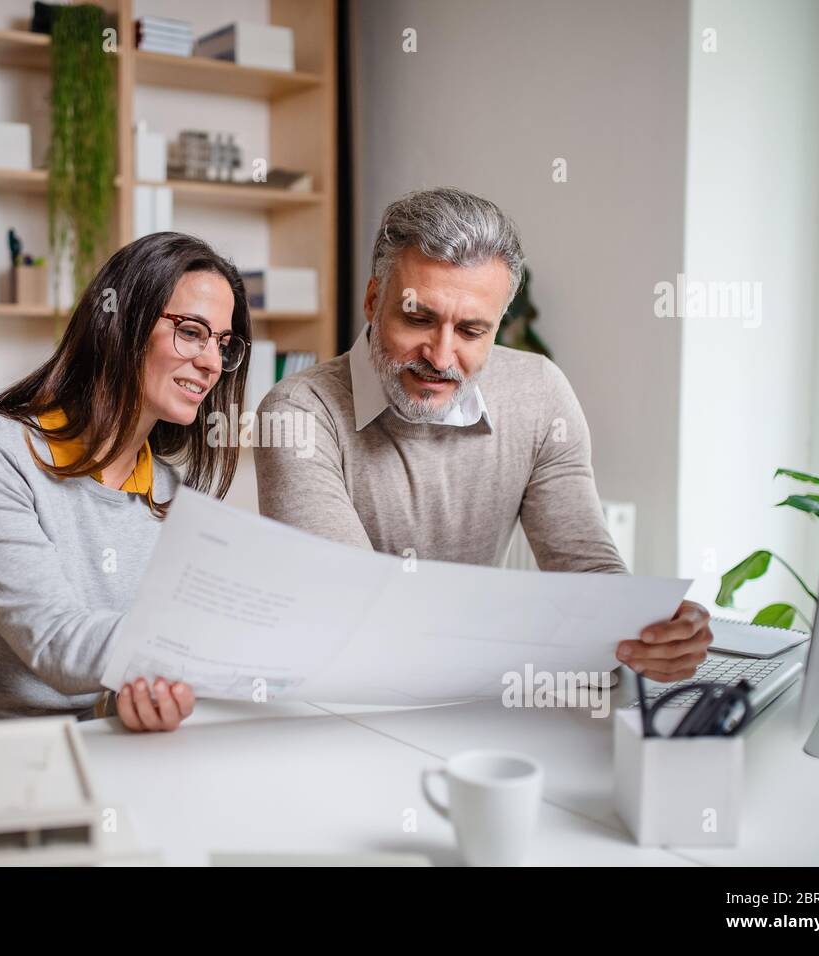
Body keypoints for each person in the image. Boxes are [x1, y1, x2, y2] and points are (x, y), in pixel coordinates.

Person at [254, 187, 712, 683]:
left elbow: (588, 574)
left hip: (473, 699)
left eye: (472, 331)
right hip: (338, 699)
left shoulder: (538, 393)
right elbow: (354, 610)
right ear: (372, 300)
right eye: (417, 318)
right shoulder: (299, 413)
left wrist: (647, 632)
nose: (441, 356)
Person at [0, 232, 252, 756]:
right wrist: (220, 645)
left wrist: (144, 695)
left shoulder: (172, 497)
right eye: (192, 332)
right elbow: (56, 642)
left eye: (222, 344)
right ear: (119, 323)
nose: (212, 364)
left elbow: (121, 660)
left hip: (63, 756)